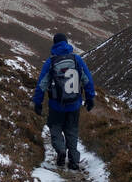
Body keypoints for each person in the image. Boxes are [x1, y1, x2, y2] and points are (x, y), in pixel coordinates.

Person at [32, 32, 95, 170]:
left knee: (55, 128)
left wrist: (38, 102)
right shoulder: (77, 59)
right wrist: (90, 98)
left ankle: (60, 150)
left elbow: (41, 84)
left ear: (54, 44)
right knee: (72, 130)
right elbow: (87, 80)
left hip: (56, 105)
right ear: (66, 43)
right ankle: (73, 161)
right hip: (74, 104)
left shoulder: (51, 62)